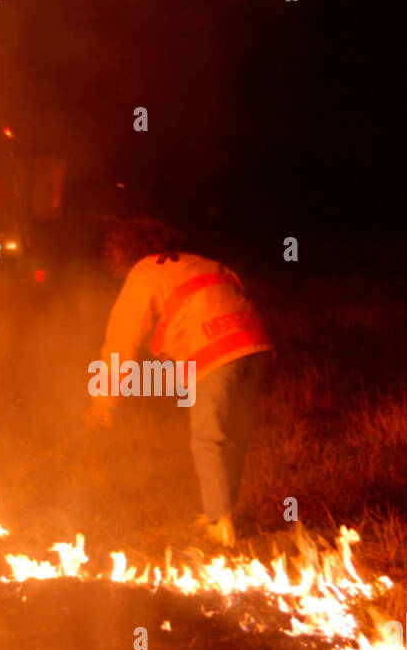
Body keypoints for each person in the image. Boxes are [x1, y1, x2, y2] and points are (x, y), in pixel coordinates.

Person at [86, 216, 272, 546]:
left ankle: (220, 522)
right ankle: (221, 512)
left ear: (123, 254)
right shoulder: (204, 262)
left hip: (214, 350)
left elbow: (121, 339)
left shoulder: (145, 273)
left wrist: (103, 402)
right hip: (255, 346)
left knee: (208, 438)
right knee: (234, 436)